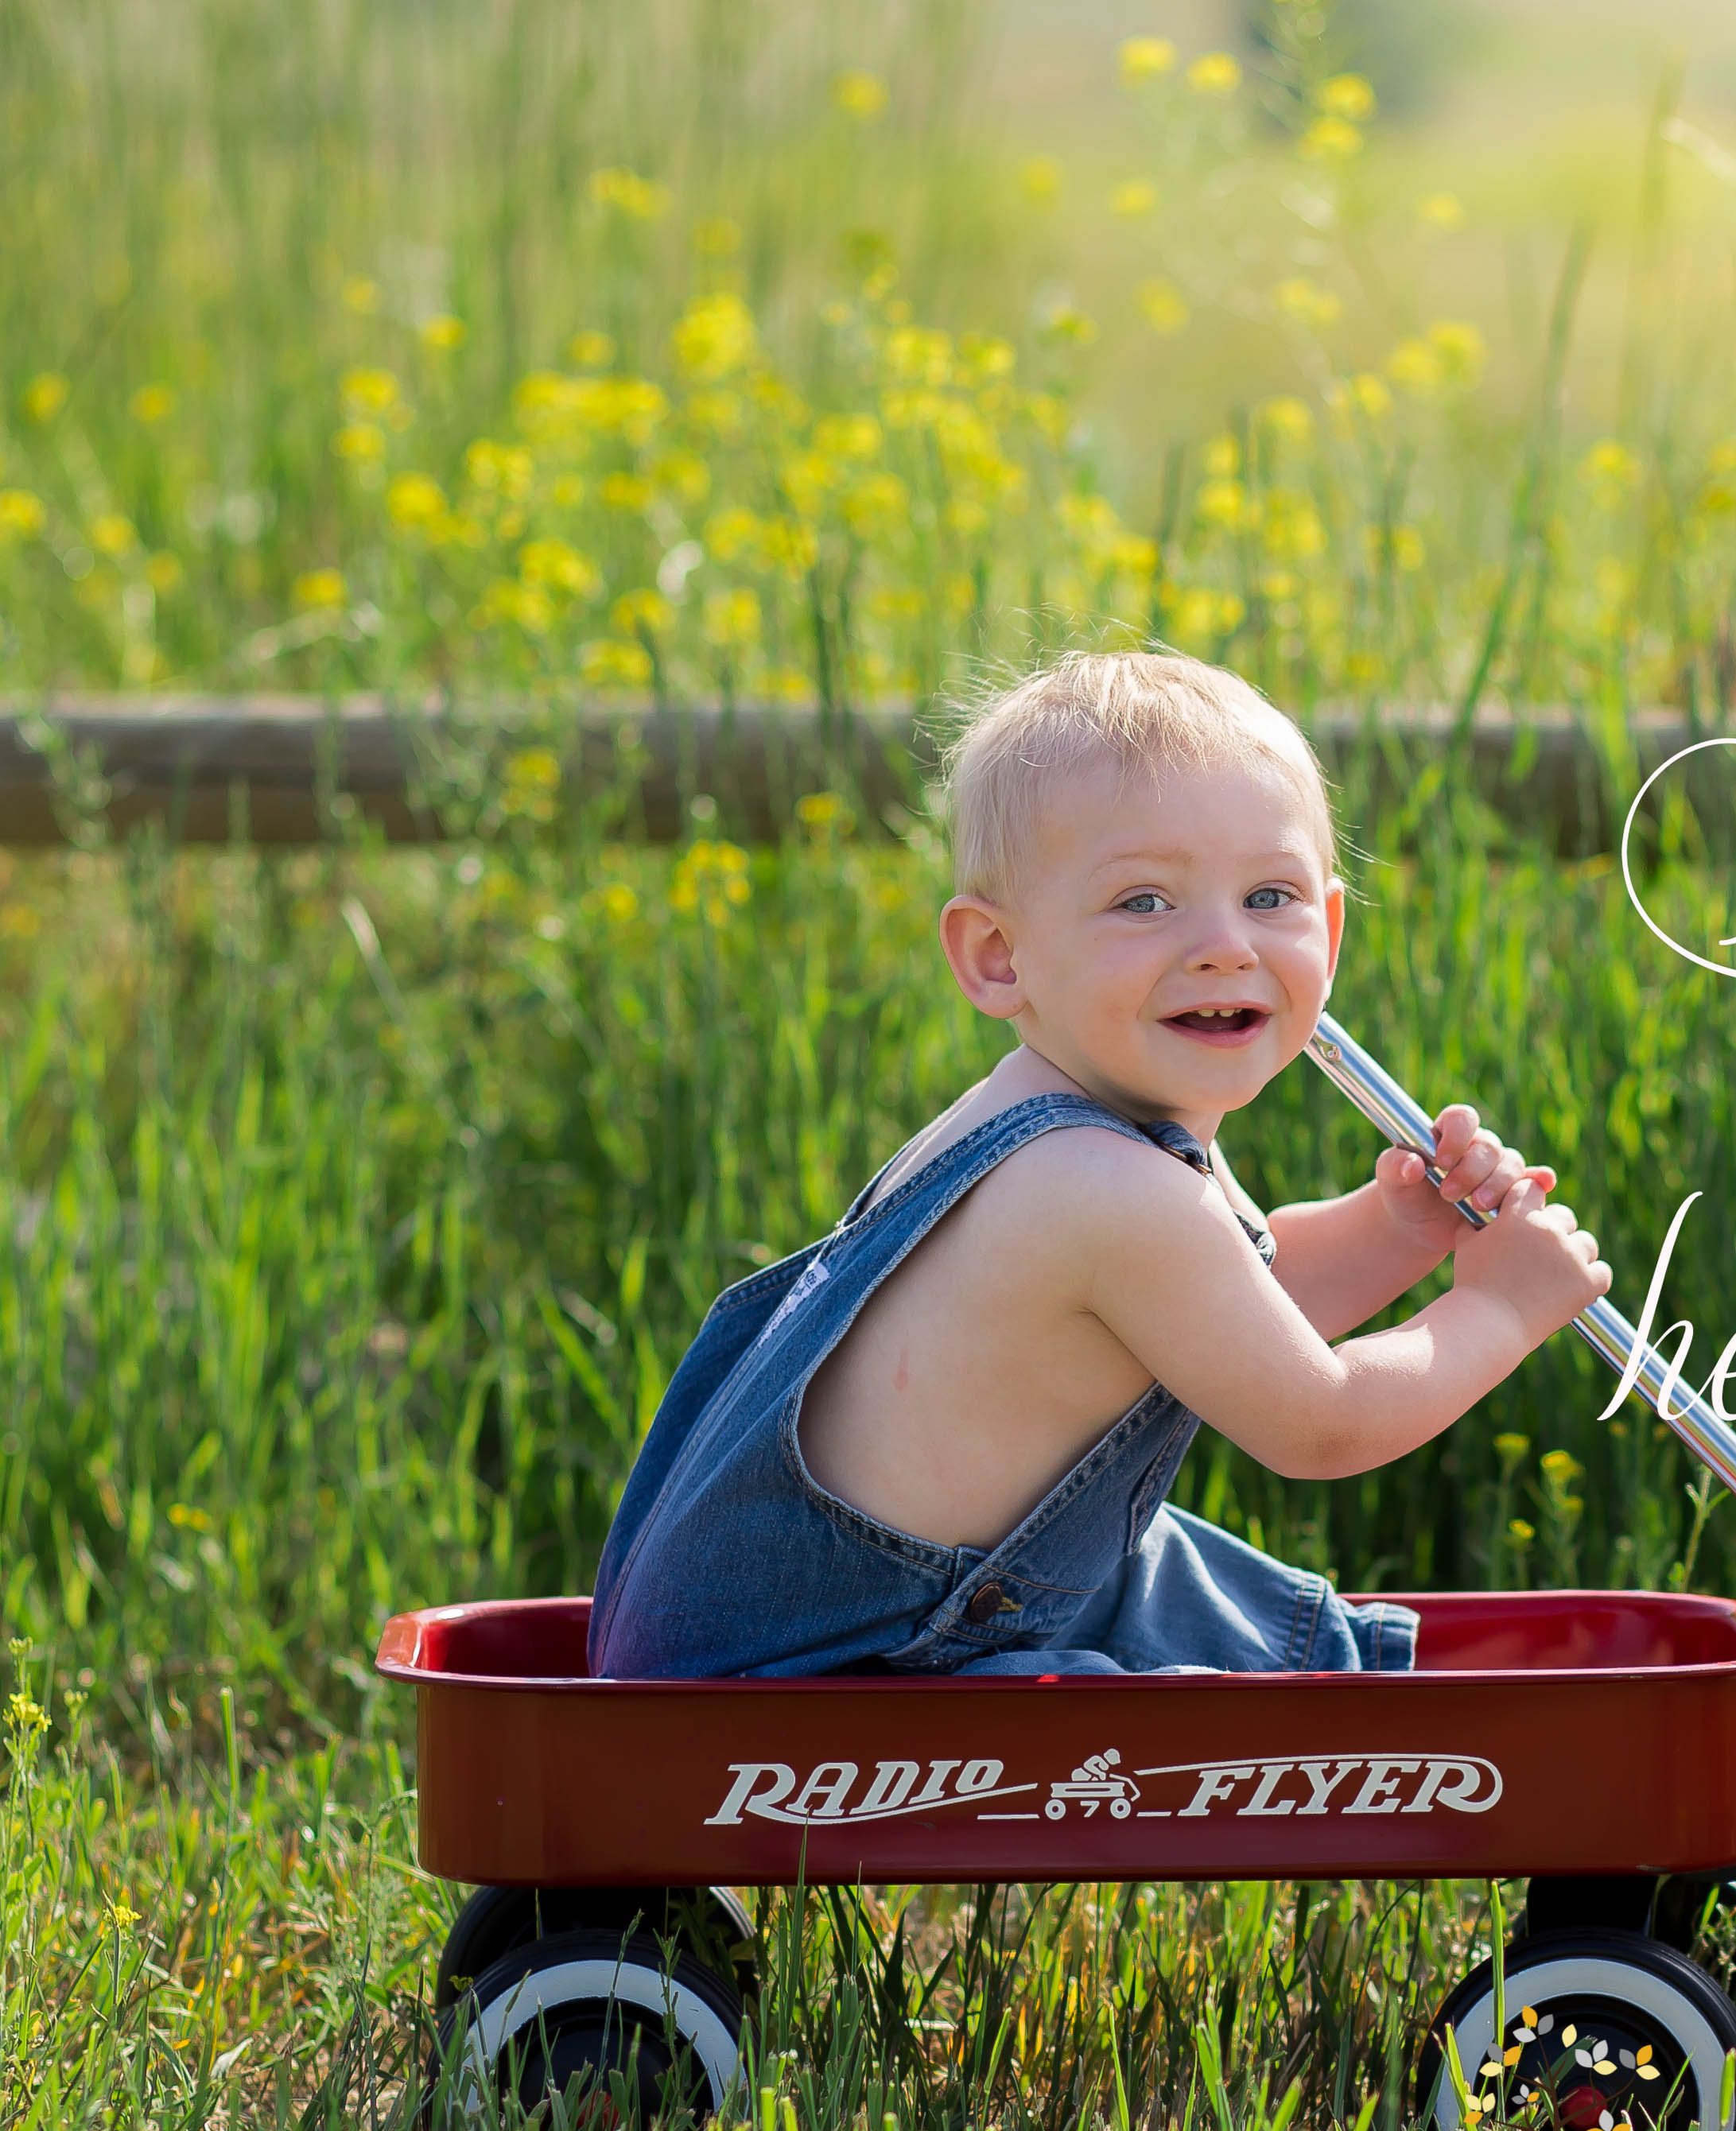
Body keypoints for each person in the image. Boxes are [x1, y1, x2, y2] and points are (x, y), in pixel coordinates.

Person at [586, 648, 1608, 1679]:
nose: (1223, 946)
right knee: (1148, 1720)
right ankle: (1360, 1765)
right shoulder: (1098, 1188)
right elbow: (1320, 1423)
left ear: (1330, 931)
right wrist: (1502, 1310)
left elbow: (1230, 1309)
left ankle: (1370, 1711)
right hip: (803, 1691)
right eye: (1144, 904)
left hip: (857, 1633)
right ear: (998, 956)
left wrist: (1396, 1231)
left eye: (1269, 897)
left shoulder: (1057, 1118)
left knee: (1171, 1585)